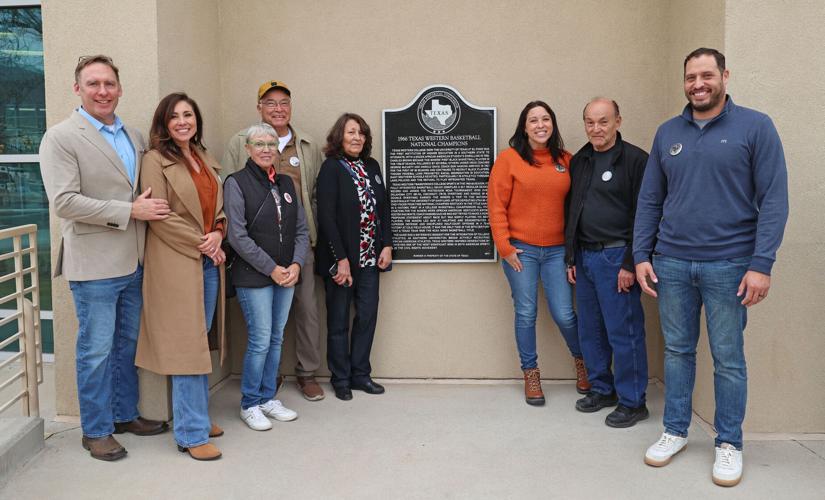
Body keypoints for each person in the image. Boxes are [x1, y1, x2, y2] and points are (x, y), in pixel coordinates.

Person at [634, 48, 789, 487]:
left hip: (730, 264)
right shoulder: (668, 133)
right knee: (678, 352)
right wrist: (641, 255)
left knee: (728, 359)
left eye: (706, 75)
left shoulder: (755, 127)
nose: (698, 84)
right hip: (672, 262)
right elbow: (650, 200)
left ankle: (729, 444)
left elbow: (774, 199)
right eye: (690, 77)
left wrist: (762, 264)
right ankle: (675, 431)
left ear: (724, 76)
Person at [39, 55, 170, 461]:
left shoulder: (132, 134)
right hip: (94, 266)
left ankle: (124, 414)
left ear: (119, 88)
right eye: (93, 83)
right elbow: (65, 202)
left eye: (109, 83)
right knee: (95, 350)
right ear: (77, 89)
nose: (102, 91)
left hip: (134, 262)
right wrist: (129, 211)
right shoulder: (60, 137)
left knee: (126, 345)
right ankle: (95, 430)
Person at [135, 92, 227, 461]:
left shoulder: (203, 157)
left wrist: (219, 232)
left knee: (199, 340)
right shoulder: (154, 160)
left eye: (189, 114)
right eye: (175, 116)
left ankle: (198, 418)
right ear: (164, 123)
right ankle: (190, 433)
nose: (182, 121)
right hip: (178, 261)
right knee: (186, 345)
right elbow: (160, 216)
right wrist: (204, 243)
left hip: (207, 259)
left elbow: (217, 208)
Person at [222, 81, 325, 401]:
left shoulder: (305, 144)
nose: (278, 108)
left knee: (305, 311)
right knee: (263, 331)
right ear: (259, 108)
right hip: (255, 249)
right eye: (270, 103)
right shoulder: (239, 144)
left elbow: (313, 196)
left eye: (284, 102)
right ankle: (263, 387)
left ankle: (305, 373)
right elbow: (229, 198)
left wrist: (301, 251)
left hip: (297, 244)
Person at [487, 100, 589, 406]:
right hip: (522, 252)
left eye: (546, 119)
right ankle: (531, 373)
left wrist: (572, 252)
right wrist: (505, 247)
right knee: (526, 313)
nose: (540, 125)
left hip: (558, 252)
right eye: (533, 120)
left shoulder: (566, 160)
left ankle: (583, 363)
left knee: (564, 313)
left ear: (553, 124)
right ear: (524, 127)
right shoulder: (509, 160)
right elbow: (495, 206)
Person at [565, 98, 649, 427]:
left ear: (618, 121)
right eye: (589, 122)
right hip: (584, 257)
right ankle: (602, 388)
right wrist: (571, 256)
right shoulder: (580, 160)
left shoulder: (636, 161)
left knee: (623, 331)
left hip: (617, 257)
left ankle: (633, 400)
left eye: (603, 121)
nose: (595, 129)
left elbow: (645, 216)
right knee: (591, 329)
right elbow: (573, 210)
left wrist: (632, 262)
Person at [224, 123, 309, 430]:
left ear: (277, 150)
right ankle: (250, 403)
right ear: (247, 149)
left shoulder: (286, 183)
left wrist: (296, 265)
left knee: (276, 337)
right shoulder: (236, 182)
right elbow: (237, 235)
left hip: (287, 275)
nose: (265, 150)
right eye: (258, 144)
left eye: (271, 145)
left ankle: (267, 397)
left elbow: (301, 229)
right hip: (255, 276)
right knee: (260, 339)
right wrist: (271, 268)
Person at [316, 113, 393, 401]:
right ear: (340, 136)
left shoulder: (371, 166)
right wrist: (341, 259)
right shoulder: (331, 169)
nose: (356, 137)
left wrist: (386, 244)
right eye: (351, 132)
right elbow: (326, 217)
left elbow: (382, 209)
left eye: (361, 133)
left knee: (367, 317)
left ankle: (361, 374)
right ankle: (341, 378)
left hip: (370, 260)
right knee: (338, 321)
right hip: (343, 262)